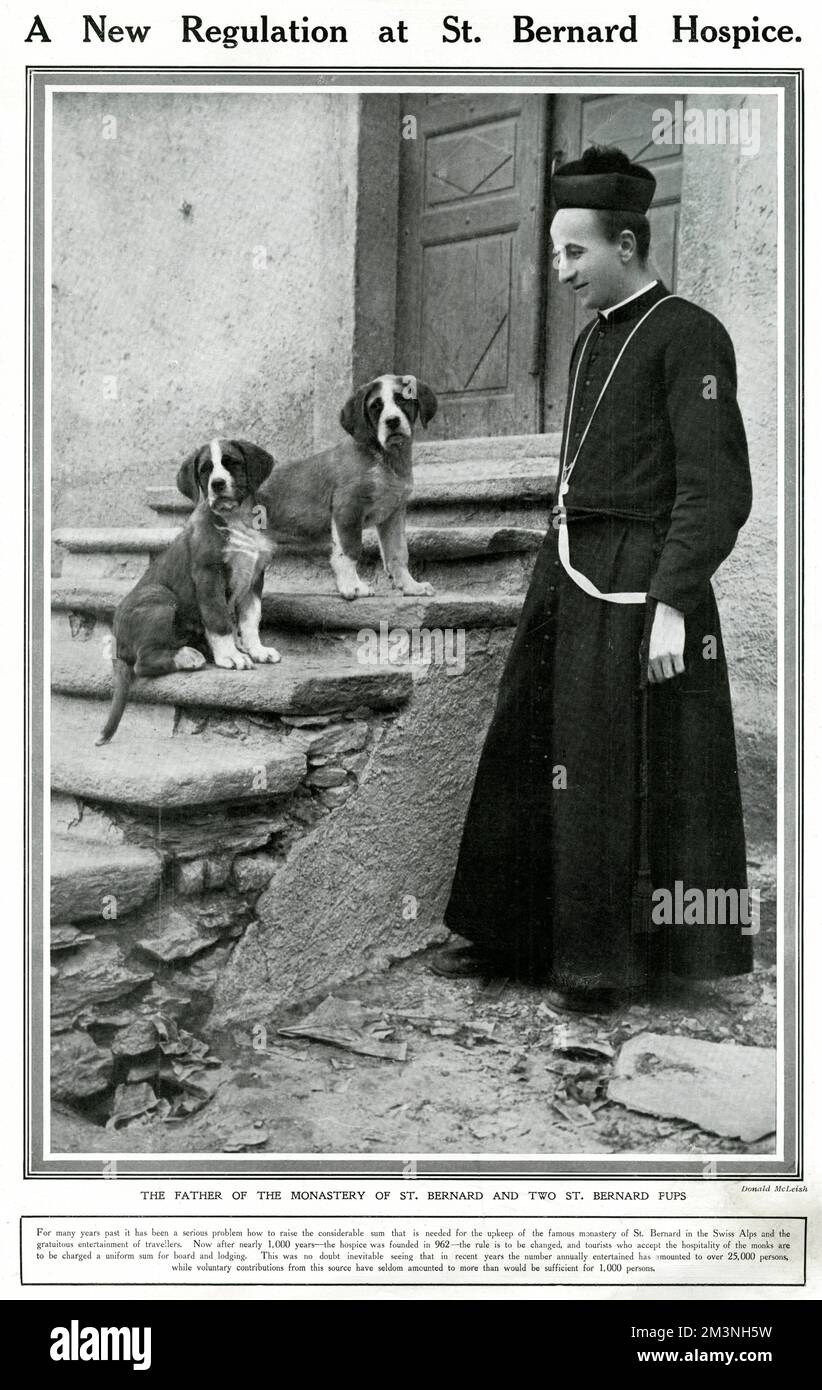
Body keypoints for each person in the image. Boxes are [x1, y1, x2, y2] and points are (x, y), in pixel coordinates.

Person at [432, 145, 754, 1012]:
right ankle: (514, 937)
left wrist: (673, 603)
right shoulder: (587, 341)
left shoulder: (691, 334)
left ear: (627, 243)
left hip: (641, 585)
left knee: (615, 769)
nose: (561, 270)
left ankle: (606, 966)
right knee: (528, 748)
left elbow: (716, 490)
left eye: (574, 252)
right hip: (568, 573)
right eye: (556, 252)